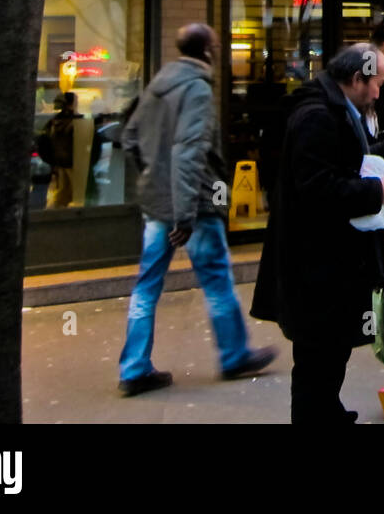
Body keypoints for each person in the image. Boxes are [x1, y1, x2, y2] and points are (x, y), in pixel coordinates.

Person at [250, 43, 384, 424]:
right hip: (316, 262)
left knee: (330, 347)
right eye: (378, 83)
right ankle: (315, 415)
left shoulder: (335, 107)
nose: (379, 92)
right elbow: (317, 188)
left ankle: (327, 408)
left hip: (329, 260)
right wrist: (379, 191)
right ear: (358, 78)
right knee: (318, 353)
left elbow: (349, 159)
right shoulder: (317, 115)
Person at [118, 24, 276, 397]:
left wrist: (152, 180)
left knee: (147, 283)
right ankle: (235, 354)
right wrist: (185, 211)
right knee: (217, 279)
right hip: (194, 205)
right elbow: (188, 151)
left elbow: (129, 138)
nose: (219, 51)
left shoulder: (157, 86)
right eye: (217, 46)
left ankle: (134, 367)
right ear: (207, 50)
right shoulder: (198, 90)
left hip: (159, 203)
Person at [36, 91, 80, 208]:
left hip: (59, 162)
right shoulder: (73, 121)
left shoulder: (54, 122)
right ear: (71, 104)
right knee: (67, 194)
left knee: (62, 193)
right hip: (70, 162)